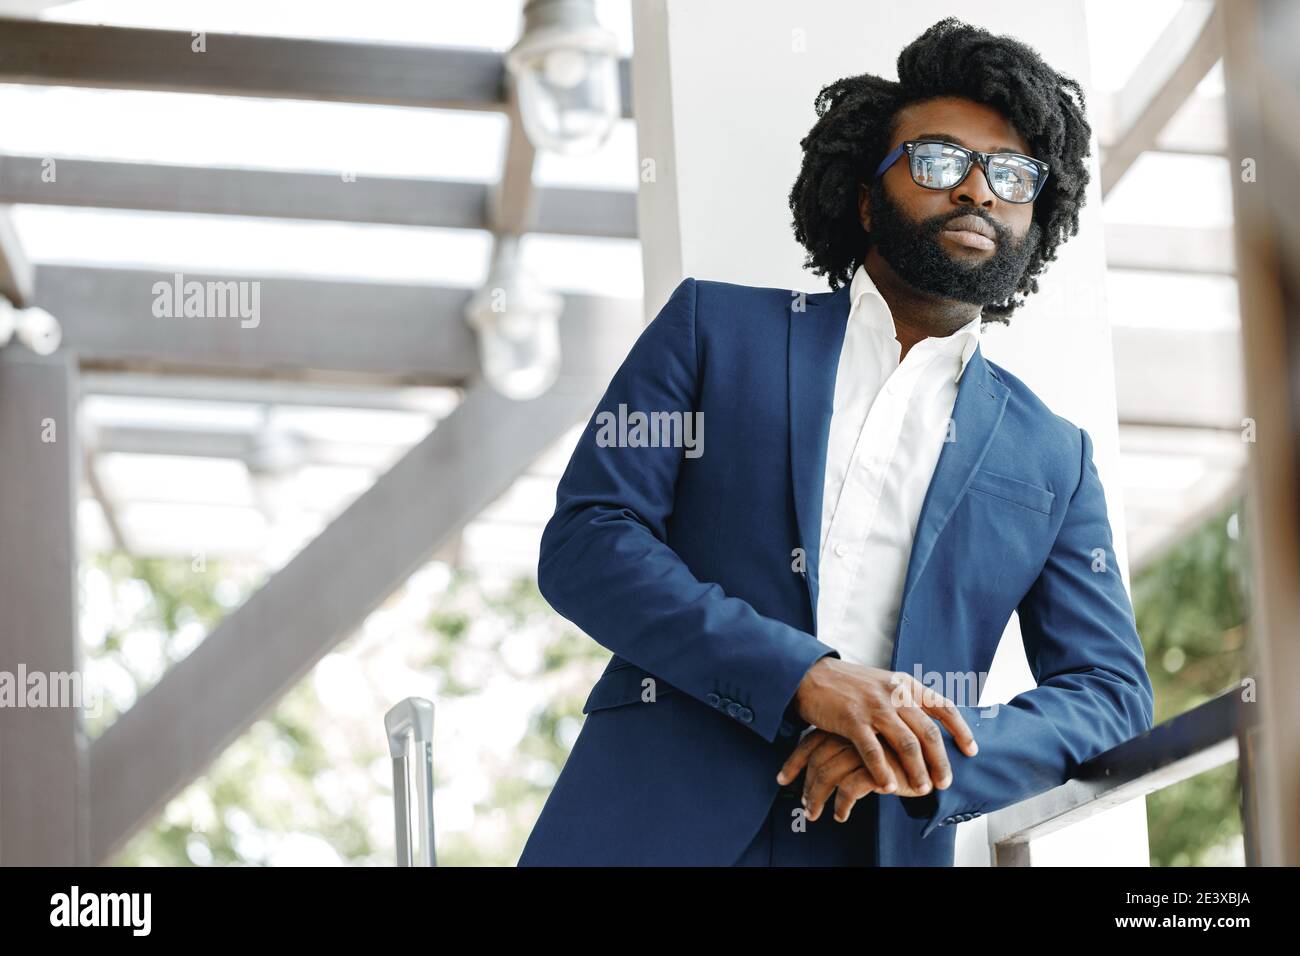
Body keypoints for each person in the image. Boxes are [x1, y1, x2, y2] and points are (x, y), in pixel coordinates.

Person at [518, 17, 1154, 867]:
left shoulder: (1055, 458)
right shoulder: (715, 332)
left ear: (1037, 221)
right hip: (650, 821)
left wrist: (924, 751)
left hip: (879, 838)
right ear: (864, 195)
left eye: (1011, 175)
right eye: (937, 161)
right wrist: (807, 679)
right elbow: (588, 543)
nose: (976, 190)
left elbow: (1111, 693)